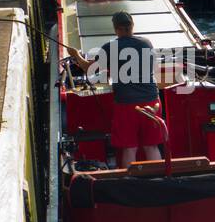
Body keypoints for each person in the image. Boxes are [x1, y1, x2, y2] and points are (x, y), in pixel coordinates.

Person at [67, 11, 168, 168]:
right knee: (151, 145)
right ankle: (157, 179)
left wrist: (76, 55)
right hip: (152, 100)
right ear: (132, 26)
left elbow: (88, 68)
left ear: (116, 28)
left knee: (130, 147)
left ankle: (129, 183)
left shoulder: (110, 47)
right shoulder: (146, 43)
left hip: (127, 105)